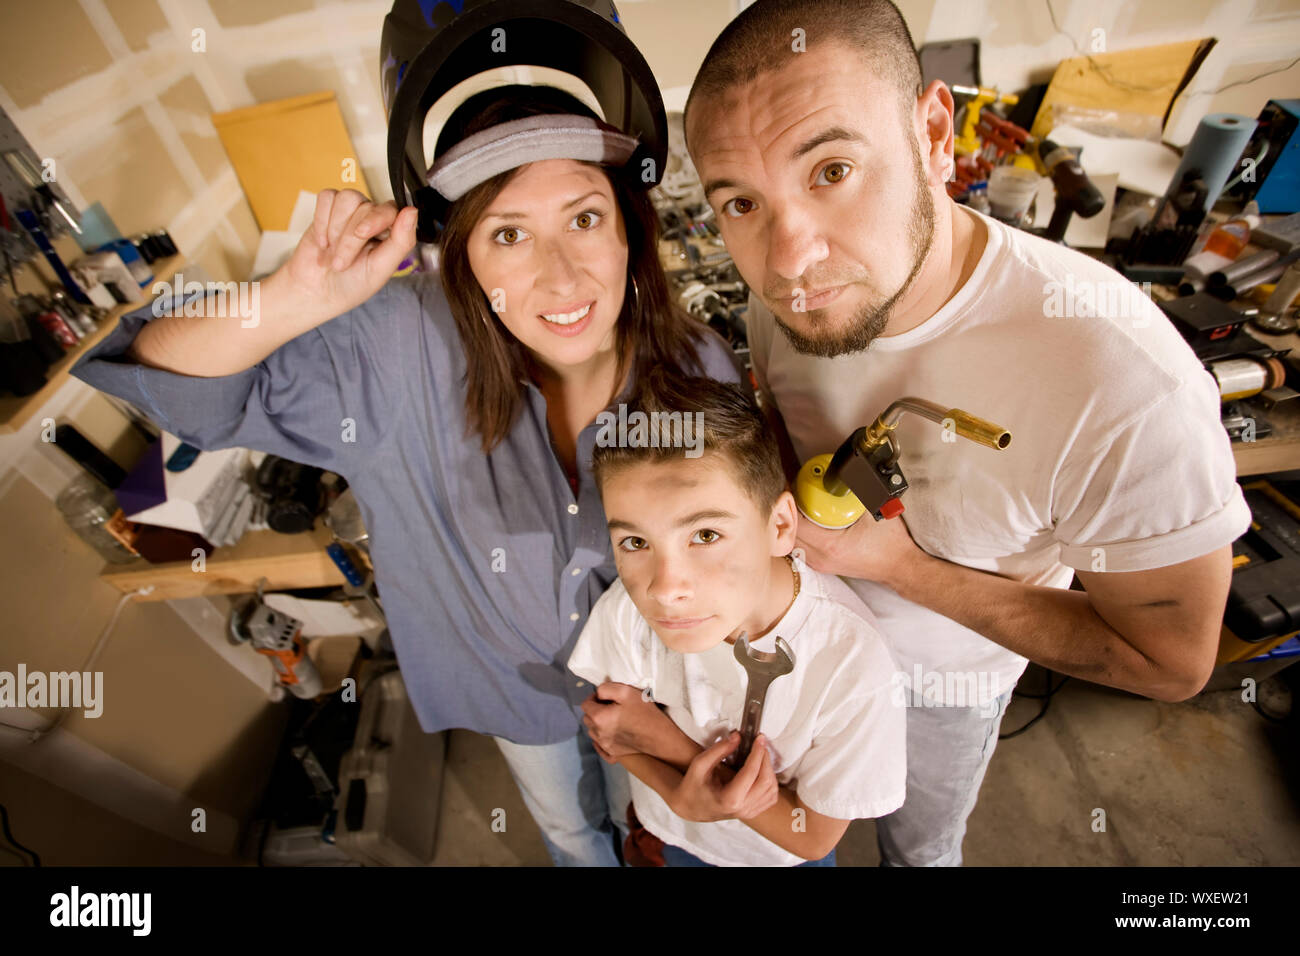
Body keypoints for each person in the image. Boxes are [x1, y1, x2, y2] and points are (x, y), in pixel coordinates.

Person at [586, 0, 1248, 867]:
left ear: (936, 134)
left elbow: (1171, 663)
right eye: (742, 202)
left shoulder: (1123, 382)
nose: (789, 258)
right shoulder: (786, 298)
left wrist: (901, 569)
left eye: (830, 170)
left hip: (944, 689)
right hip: (790, 655)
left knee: (919, 853)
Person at [71, 72, 741, 865]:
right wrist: (293, 297)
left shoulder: (695, 360)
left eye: (584, 219)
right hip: (511, 691)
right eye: (508, 234)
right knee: (569, 829)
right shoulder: (402, 345)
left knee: (658, 826)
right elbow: (176, 384)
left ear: (629, 229)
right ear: (463, 258)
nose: (561, 279)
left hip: (659, 686)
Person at [568, 372, 905, 867]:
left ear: (780, 526)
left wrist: (676, 755)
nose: (665, 588)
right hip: (664, 836)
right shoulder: (627, 611)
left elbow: (811, 837)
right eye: (636, 543)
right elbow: (612, 730)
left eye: (705, 535)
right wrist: (679, 798)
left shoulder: (853, 664)